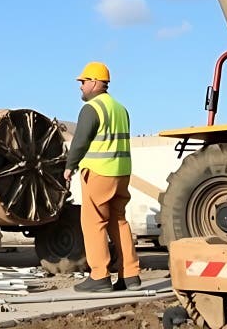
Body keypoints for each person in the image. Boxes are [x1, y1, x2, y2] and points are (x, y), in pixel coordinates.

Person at [64, 61, 141, 292]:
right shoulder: (120, 108)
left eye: (84, 82)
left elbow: (80, 141)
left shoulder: (92, 109)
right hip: (121, 173)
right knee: (119, 221)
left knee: (94, 222)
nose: (81, 86)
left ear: (95, 83)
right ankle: (131, 276)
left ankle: (100, 276)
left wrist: (70, 166)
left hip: (98, 173)